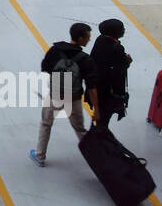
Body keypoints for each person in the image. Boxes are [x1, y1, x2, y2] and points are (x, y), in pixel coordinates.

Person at [29, 23, 99, 167]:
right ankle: (95, 159)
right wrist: (96, 109)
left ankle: (40, 156)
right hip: (73, 98)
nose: (89, 40)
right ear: (80, 38)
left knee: (46, 123)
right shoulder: (85, 59)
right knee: (79, 128)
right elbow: (91, 87)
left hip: (55, 95)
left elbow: (45, 68)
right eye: (87, 37)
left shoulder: (55, 50)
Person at [91, 18, 131, 129]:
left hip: (97, 85)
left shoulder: (100, 40)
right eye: (122, 28)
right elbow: (119, 70)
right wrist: (127, 62)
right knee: (104, 116)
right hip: (108, 90)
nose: (124, 30)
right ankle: (100, 139)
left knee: (101, 112)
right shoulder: (117, 48)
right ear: (116, 32)